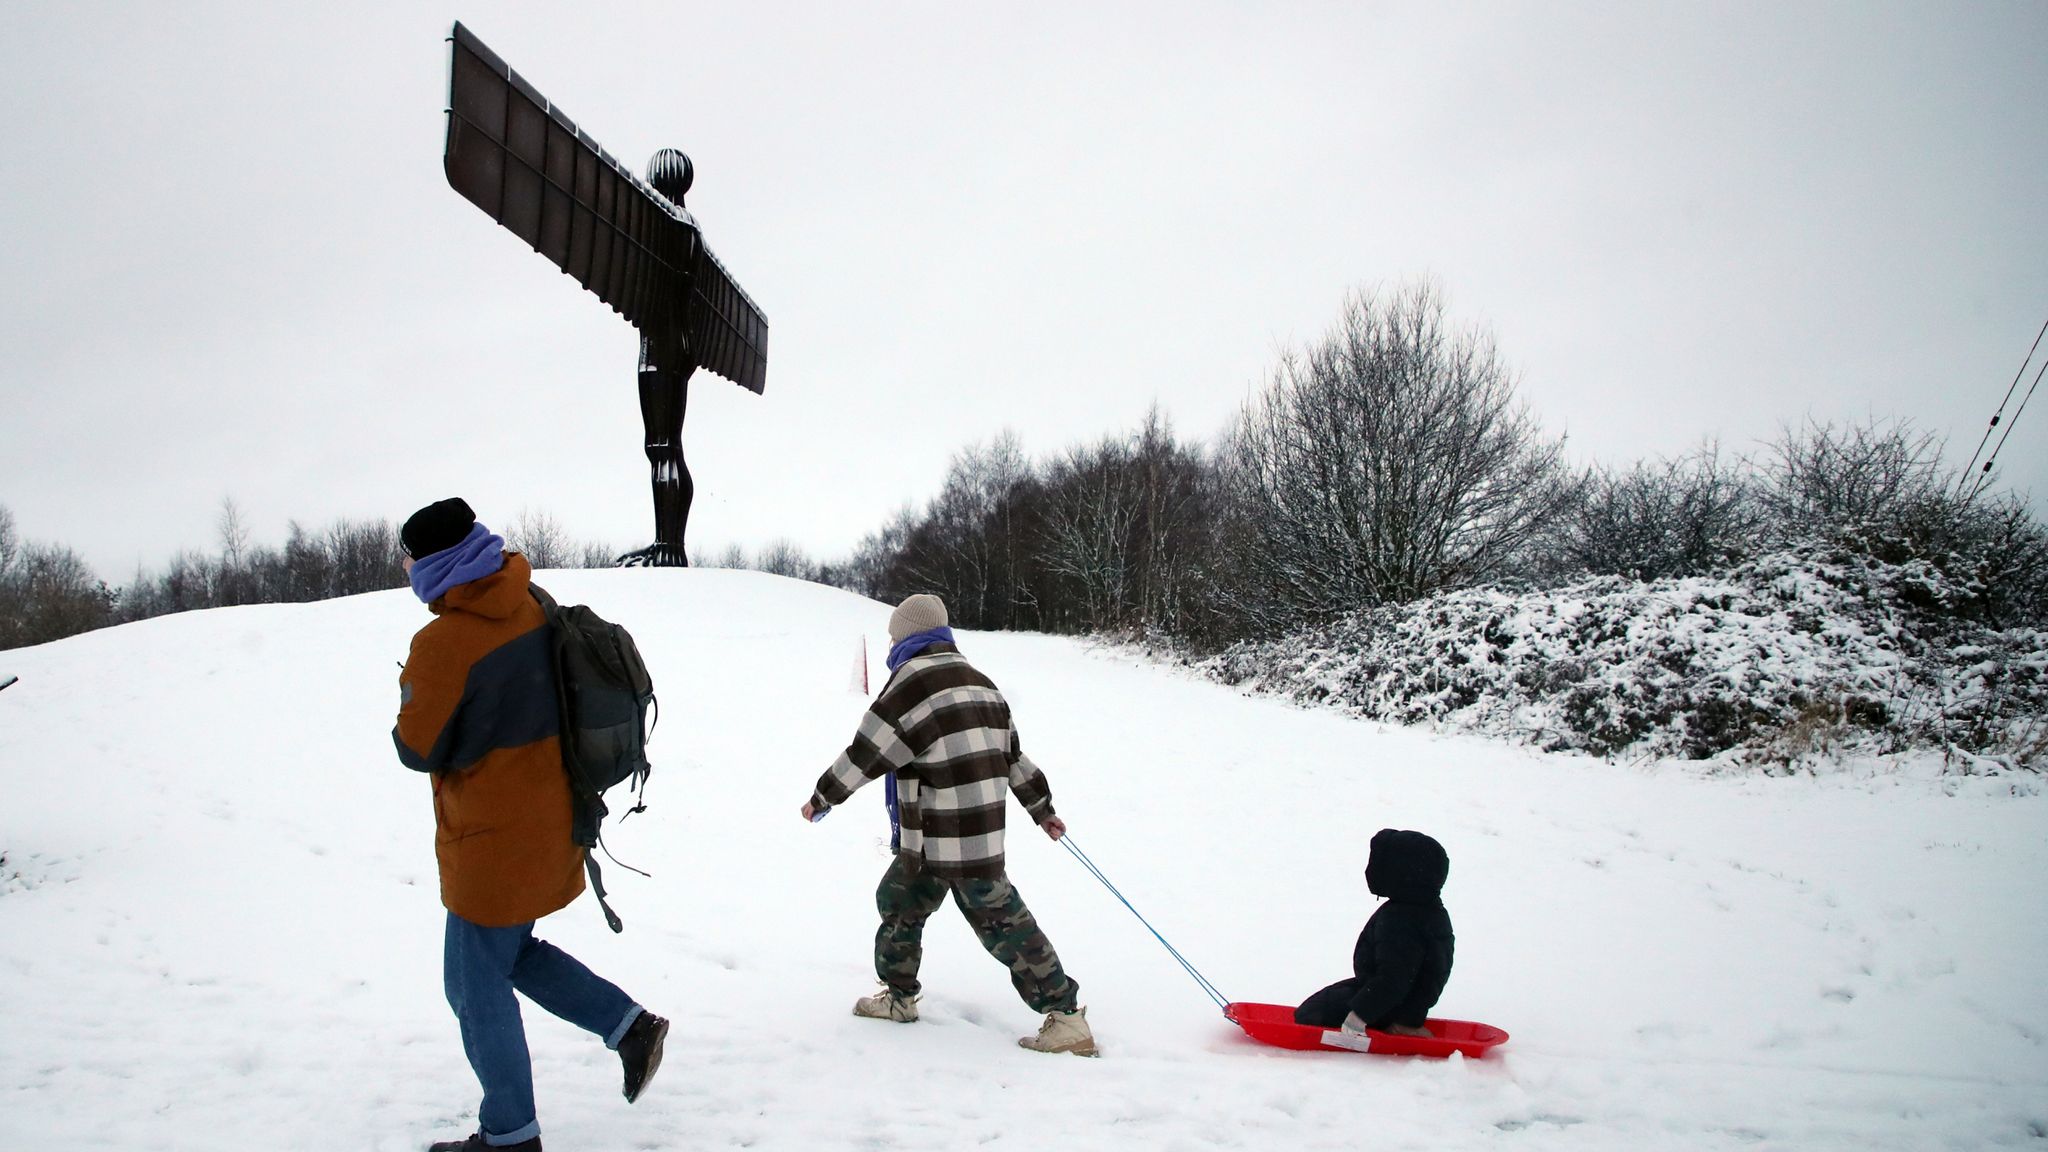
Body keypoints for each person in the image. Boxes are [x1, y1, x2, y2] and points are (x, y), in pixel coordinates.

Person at [392, 497, 669, 1152]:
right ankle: (630, 1027)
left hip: (490, 844)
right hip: (556, 821)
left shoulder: (441, 642)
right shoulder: (532, 599)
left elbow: (416, 747)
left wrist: (414, 689)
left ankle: (510, 1135)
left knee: (472, 982)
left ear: (432, 565)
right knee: (510, 954)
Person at [798, 593, 1097, 1057]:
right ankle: (899, 997)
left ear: (904, 640)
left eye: (893, 638)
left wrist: (823, 798)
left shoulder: (909, 685)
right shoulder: (982, 683)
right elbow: (1013, 756)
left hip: (954, 840)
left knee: (1003, 924)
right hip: (939, 838)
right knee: (899, 899)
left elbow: (865, 753)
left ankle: (1068, 1017)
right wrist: (1042, 809)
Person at [1294, 828, 1455, 1038]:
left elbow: (1394, 978)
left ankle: (1401, 1028)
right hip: (1404, 1001)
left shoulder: (1402, 918)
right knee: (1323, 1002)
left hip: (1392, 1005)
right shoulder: (1427, 908)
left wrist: (1359, 1016)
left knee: (1310, 1014)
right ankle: (1401, 1020)